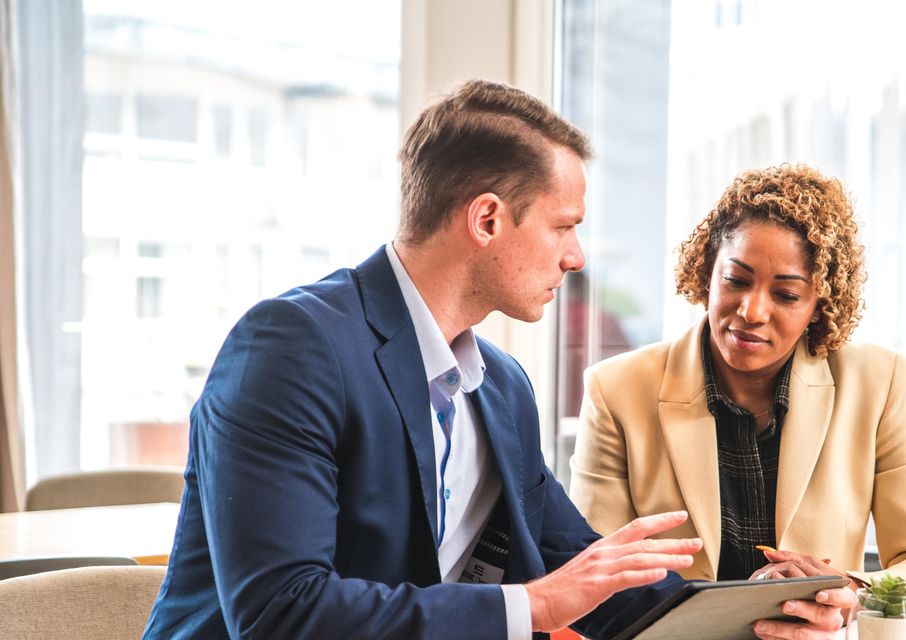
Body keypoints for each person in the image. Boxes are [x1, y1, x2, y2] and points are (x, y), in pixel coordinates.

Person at [143, 83, 852, 639]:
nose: (575, 257)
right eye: (564, 226)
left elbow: (599, 587)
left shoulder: (501, 391)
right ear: (487, 220)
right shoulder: (293, 348)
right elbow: (280, 615)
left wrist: (781, 611)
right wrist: (532, 607)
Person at [569, 163, 906, 624]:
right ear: (708, 269)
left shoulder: (877, 382)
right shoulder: (616, 390)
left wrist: (854, 596)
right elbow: (594, 577)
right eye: (736, 280)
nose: (751, 311)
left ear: (819, 304)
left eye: (787, 295)